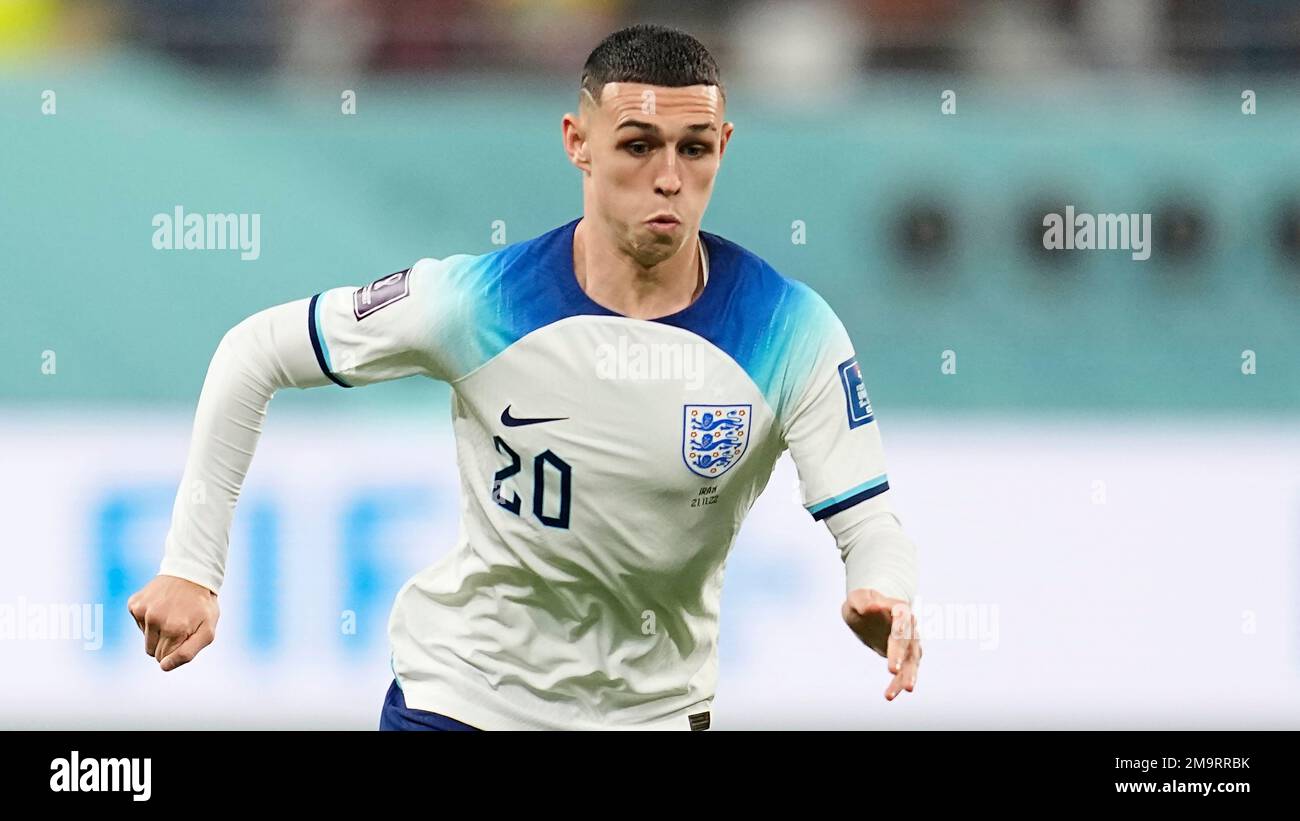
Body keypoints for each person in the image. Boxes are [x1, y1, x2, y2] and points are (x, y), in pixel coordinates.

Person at [127, 23, 922, 731]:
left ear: (724, 146)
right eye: (638, 144)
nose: (670, 177)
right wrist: (192, 565)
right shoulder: (477, 301)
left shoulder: (792, 329)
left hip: (653, 712)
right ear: (578, 141)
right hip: (462, 699)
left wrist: (880, 590)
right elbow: (253, 350)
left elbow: (868, 520)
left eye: (695, 147)